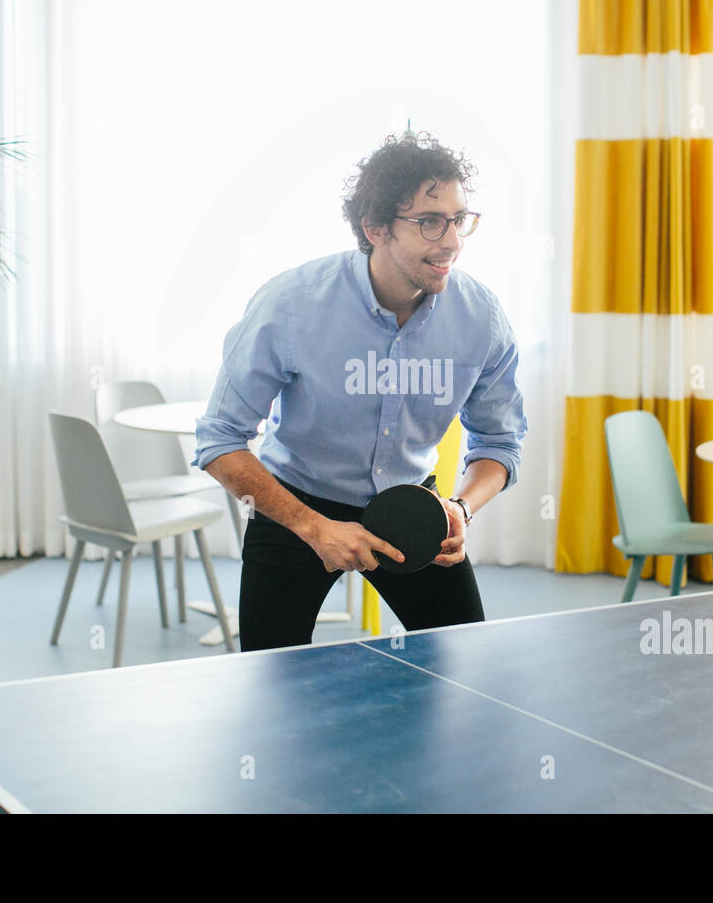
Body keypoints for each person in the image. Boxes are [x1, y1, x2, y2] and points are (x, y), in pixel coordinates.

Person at [193, 131, 527, 651]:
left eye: (459, 220)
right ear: (376, 229)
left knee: (465, 672)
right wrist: (313, 527)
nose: (453, 241)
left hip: (416, 512)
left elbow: (500, 445)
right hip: (293, 508)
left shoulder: (481, 319)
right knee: (269, 687)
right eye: (430, 222)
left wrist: (460, 509)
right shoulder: (290, 305)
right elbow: (219, 442)